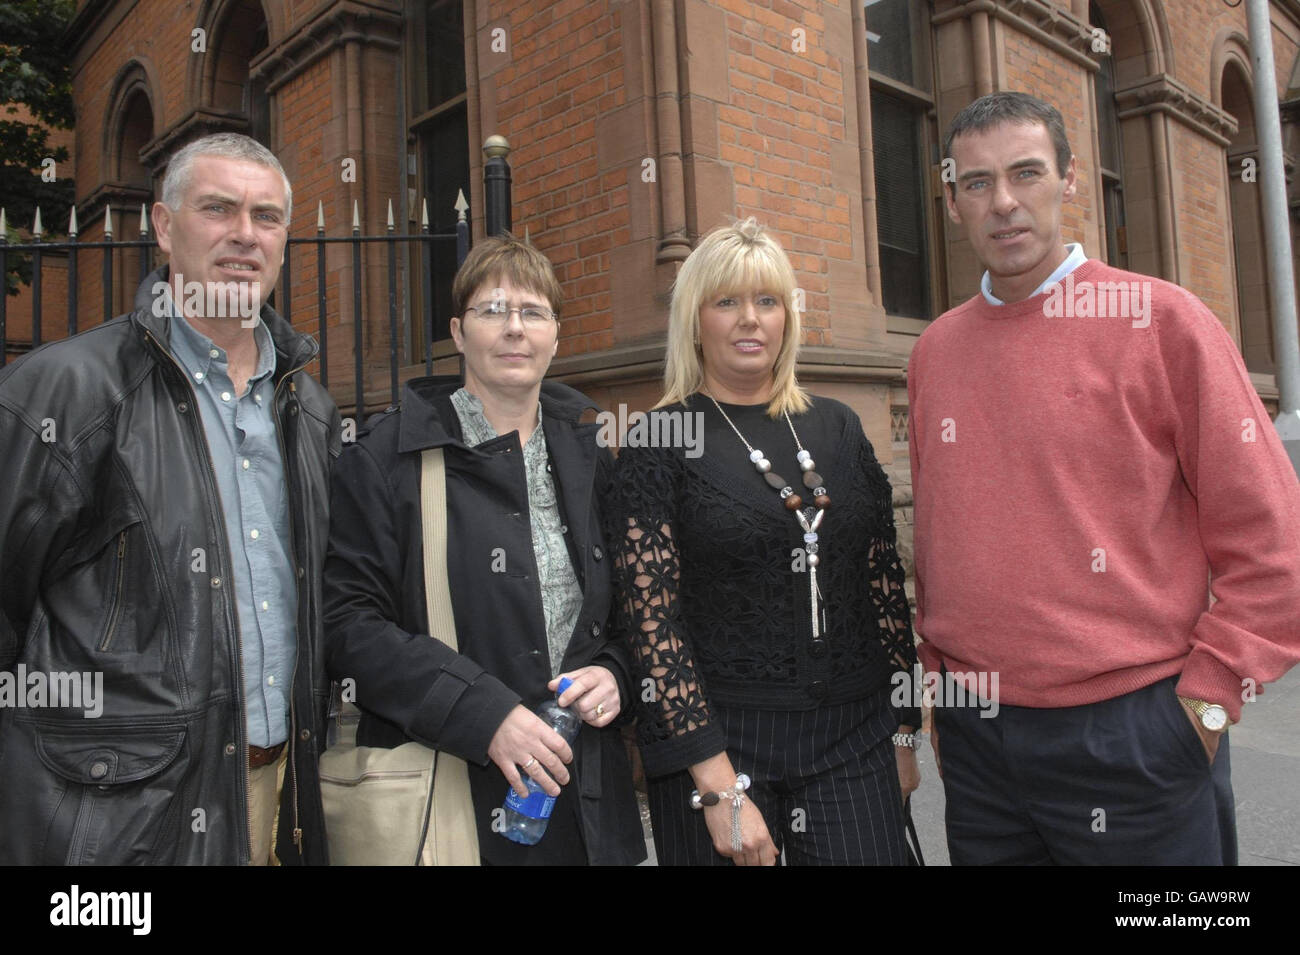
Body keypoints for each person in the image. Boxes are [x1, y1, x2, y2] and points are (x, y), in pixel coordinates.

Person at [909, 91, 1300, 865]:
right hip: (980, 747)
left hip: (1138, 738)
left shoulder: (1163, 322)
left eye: (1026, 173)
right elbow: (940, 540)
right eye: (978, 183)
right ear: (952, 201)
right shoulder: (935, 352)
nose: (1005, 202)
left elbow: (1274, 540)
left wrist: (1209, 703)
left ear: (1071, 180)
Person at [0, 133, 340, 865]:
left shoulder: (308, 405)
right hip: (120, 813)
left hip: (280, 792)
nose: (245, 235)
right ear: (162, 225)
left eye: (267, 216)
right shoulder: (67, 389)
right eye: (218, 209)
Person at [605, 217, 920, 866]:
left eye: (767, 300)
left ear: (787, 317)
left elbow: (881, 587)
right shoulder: (657, 441)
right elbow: (652, 624)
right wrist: (716, 784)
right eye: (727, 302)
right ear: (696, 319)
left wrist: (905, 728)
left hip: (855, 736)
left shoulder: (837, 428)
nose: (750, 319)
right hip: (722, 743)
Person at [323, 233, 645, 865]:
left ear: (556, 334)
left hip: (585, 801)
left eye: (532, 312)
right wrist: (482, 712)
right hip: (453, 793)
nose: (514, 329)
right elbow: (347, 626)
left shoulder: (591, 458)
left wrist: (617, 675)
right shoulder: (387, 459)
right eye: (493, 311)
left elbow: (637, 610)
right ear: (458, 330)